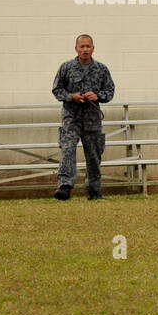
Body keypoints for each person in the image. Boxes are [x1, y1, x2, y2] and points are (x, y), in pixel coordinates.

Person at [50, 34, 115, 200]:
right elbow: (57, 90)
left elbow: (110, 91)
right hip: (71, 117)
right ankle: (65, 186)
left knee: (93, 154)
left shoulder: (101, 69)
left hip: (92, 118)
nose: (85, 50)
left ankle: (94, 190)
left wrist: (97, 96)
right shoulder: (66, 68)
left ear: (93, 48)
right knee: (68, 150)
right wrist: (72, 96)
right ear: (76, 49)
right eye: (82, 47)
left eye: (88, 46)